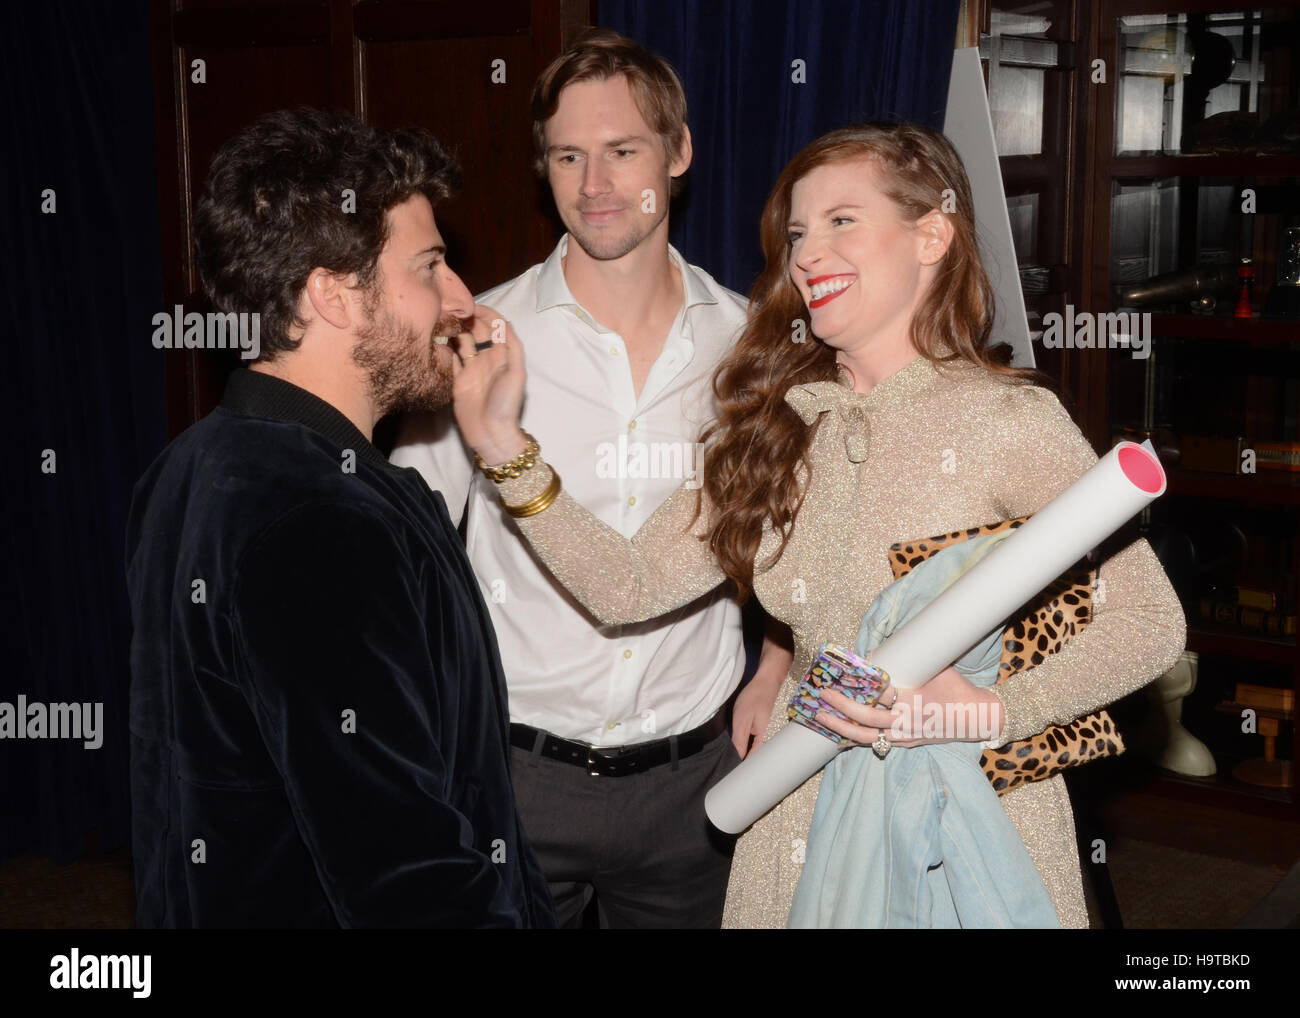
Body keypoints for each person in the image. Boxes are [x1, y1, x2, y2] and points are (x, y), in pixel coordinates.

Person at [447, 122, 1187, 928]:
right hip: (796, 813)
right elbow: (629, 586)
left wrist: (992, 709)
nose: (806, 254)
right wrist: (503, 449)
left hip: (961, 825)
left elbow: (1150, 623)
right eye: (797, 232)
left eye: (842, 221)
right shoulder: (774, 429)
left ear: (931, 234)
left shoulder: (1009, 420)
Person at [392, 29, 793, 930]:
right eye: (569, 156)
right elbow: (403, 553)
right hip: (514, 774)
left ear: (679, 152)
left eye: (622, 151)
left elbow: (801, 534)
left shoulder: (750, 346)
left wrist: (782, 658)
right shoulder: (477, 335)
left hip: (697, 778)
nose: (595, 184)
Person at [126, 108, 554, 928]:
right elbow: (407, 875)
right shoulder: (319, 519)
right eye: (431, 266)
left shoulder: (190, 463)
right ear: (333, 294)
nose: (461, 297)